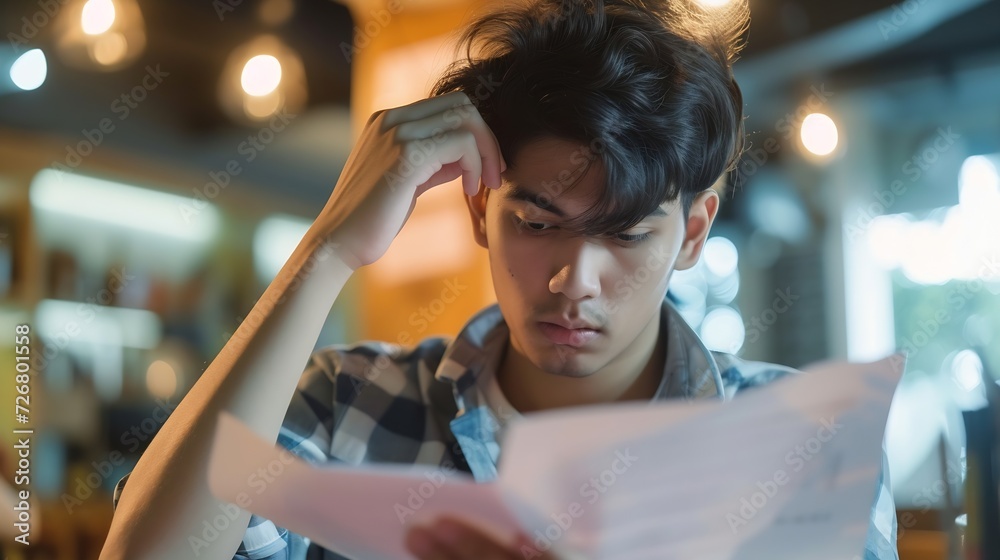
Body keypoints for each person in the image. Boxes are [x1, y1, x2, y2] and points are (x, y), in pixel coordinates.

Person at [100, 0, 899, 558]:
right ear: (481, 205)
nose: (572, 281)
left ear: (691, 232)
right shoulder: (348, 406)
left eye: (624, 234)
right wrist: (330, 251)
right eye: (539, 223)